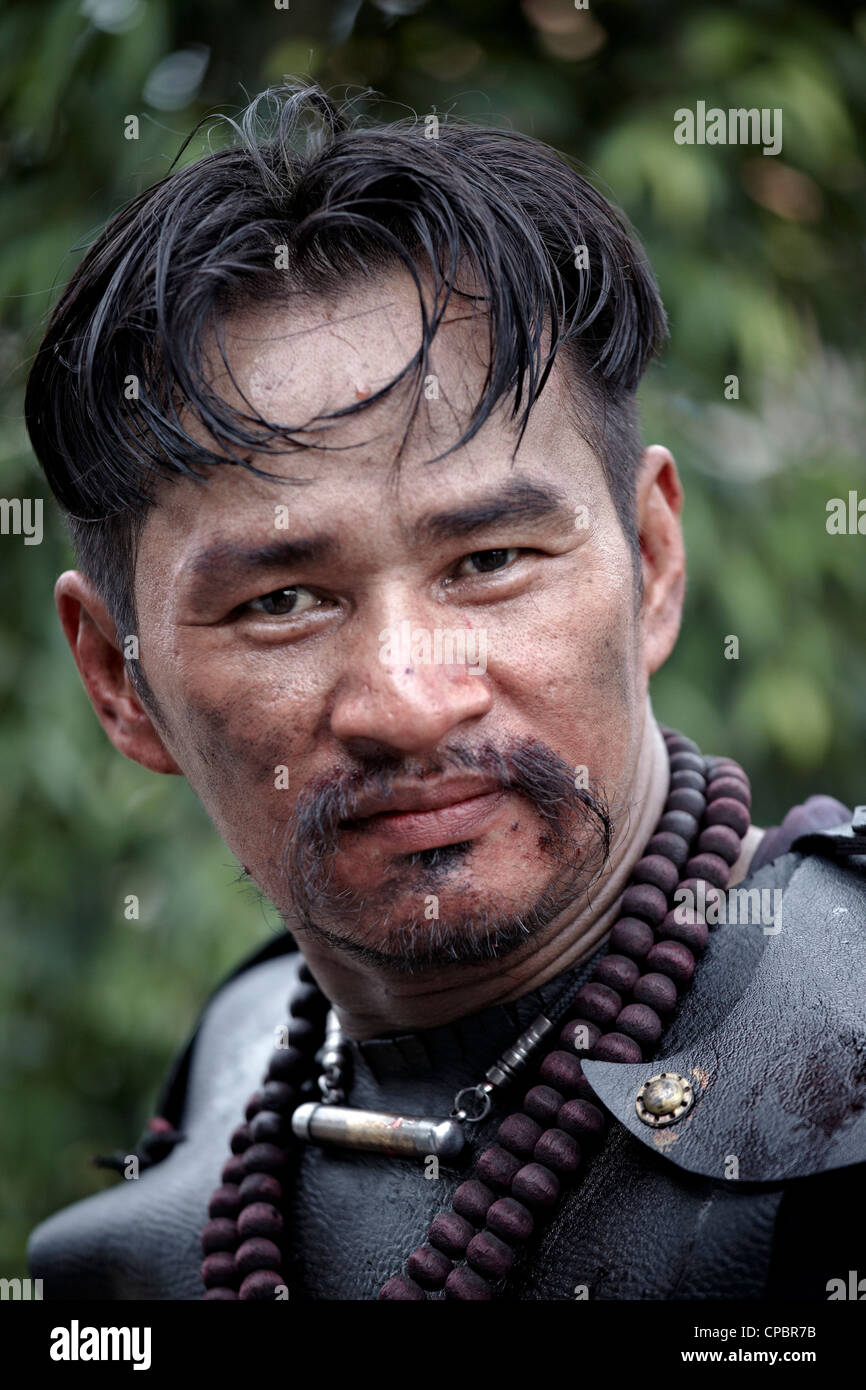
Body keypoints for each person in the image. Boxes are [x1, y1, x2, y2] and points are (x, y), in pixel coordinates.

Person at [24, 83, 865, 1301]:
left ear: (654, 561)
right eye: (280, 602)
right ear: (119, 680)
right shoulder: (232, 1070)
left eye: (488, 563)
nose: (410, 703)